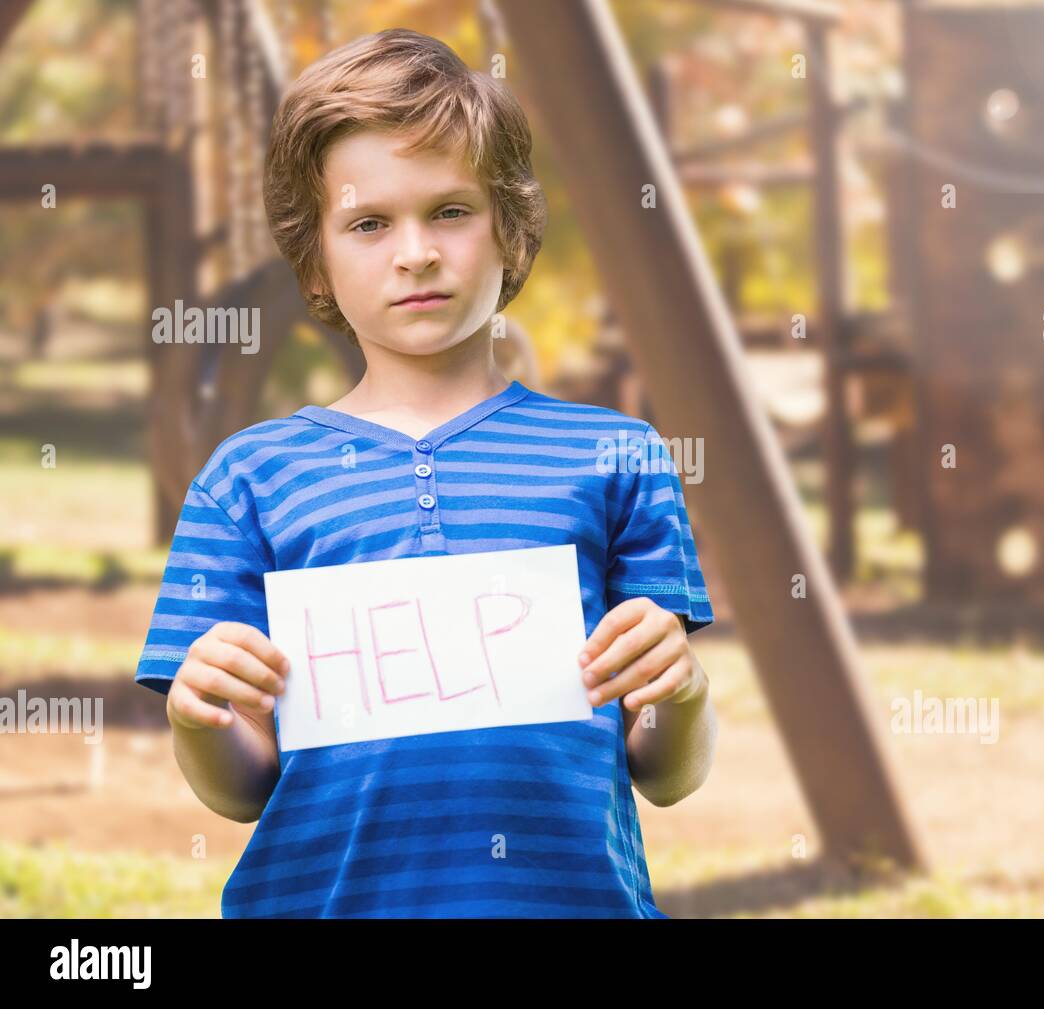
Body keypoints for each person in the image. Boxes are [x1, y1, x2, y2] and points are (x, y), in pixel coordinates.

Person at [134, 28, 716, 918]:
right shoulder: (245, 480)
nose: (415, 252)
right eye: (369, 223)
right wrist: (195, 711)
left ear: (510, 228)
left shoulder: (618, 456)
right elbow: (237, 790)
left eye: (450, 211)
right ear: (316, 252)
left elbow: (666, 773)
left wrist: (682, 689)